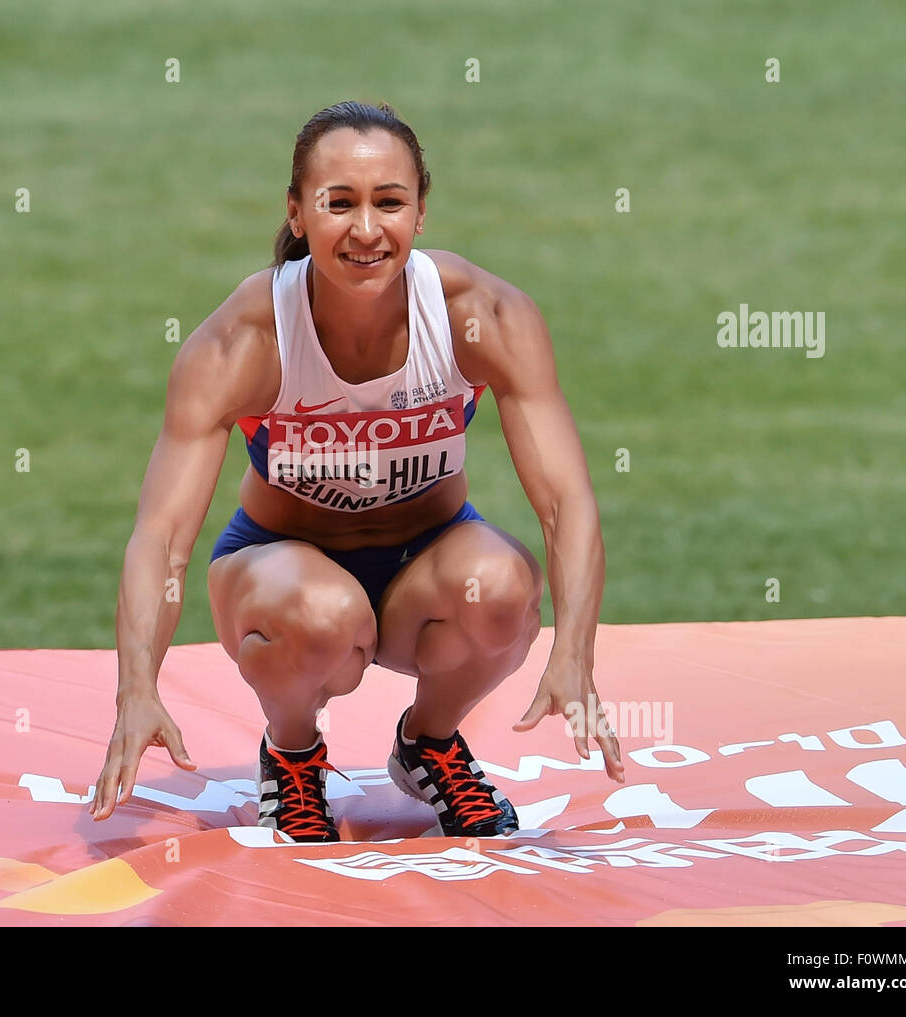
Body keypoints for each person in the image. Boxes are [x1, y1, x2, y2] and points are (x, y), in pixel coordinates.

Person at [90, 100, 624, 842]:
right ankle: (293, 752)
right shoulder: (246, 340)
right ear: (298, 212)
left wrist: (574, 652)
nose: (367, 230)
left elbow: (568, 500)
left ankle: (430, 744)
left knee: (504, 588)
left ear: (422, 211)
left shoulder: (485, 316)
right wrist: (136, 687)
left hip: (427, 564)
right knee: (321, 614)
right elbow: (162, 537)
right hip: (281, 573)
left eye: (390, 202)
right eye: (339, 203)